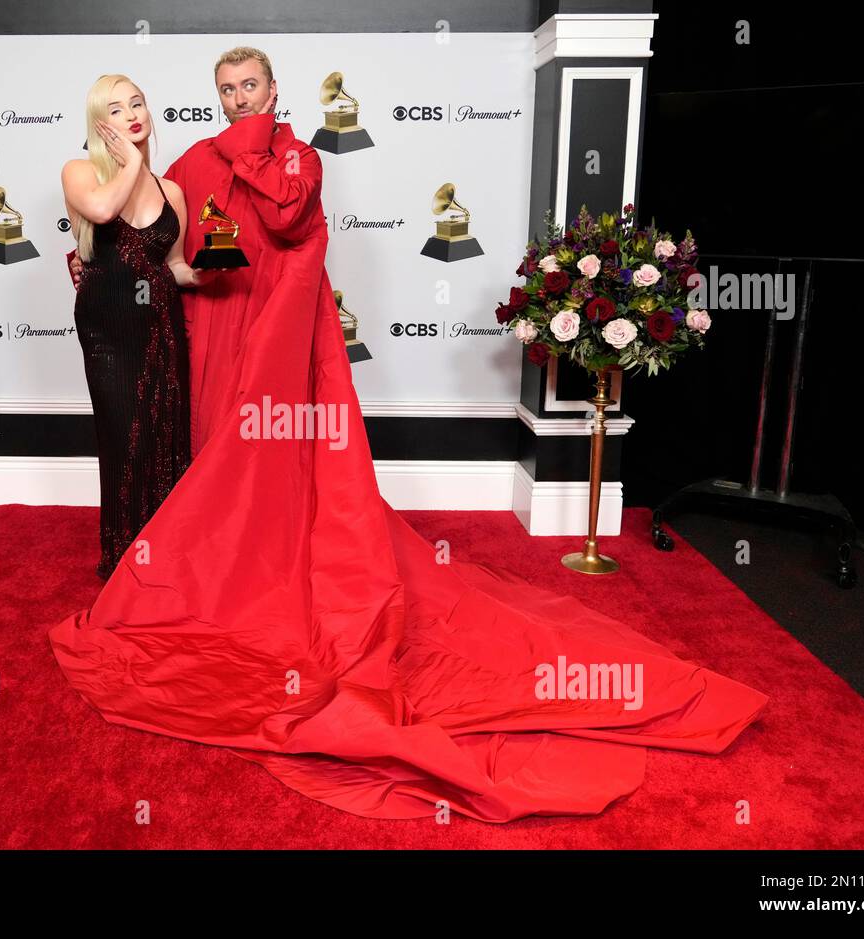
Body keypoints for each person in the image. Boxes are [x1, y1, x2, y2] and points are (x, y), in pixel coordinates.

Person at [50, 48, 768, 822]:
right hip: (160, 332)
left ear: (273, 89)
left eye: (249, 87)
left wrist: (233, 193)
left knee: (212, 462)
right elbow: (122, 229)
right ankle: (134, 571)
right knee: (145, 447)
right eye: (225, 91)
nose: (237, 99)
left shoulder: (290, 153)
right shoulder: (177, 161)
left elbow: (283, 218)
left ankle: (181, 576)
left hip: (234, 332)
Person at [60, 74, 214, 579]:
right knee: (125, 437)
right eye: (116, 109)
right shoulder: (81, 172)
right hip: (108, 324)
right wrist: (129, 160)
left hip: (161, 324)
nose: (132, 115)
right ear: (99, 124)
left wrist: (206, 272)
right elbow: (104, 210)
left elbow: (170, 265)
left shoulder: (172, 190)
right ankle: (125, 564)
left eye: (138, 103)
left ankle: (168, 557)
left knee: (166, 435)